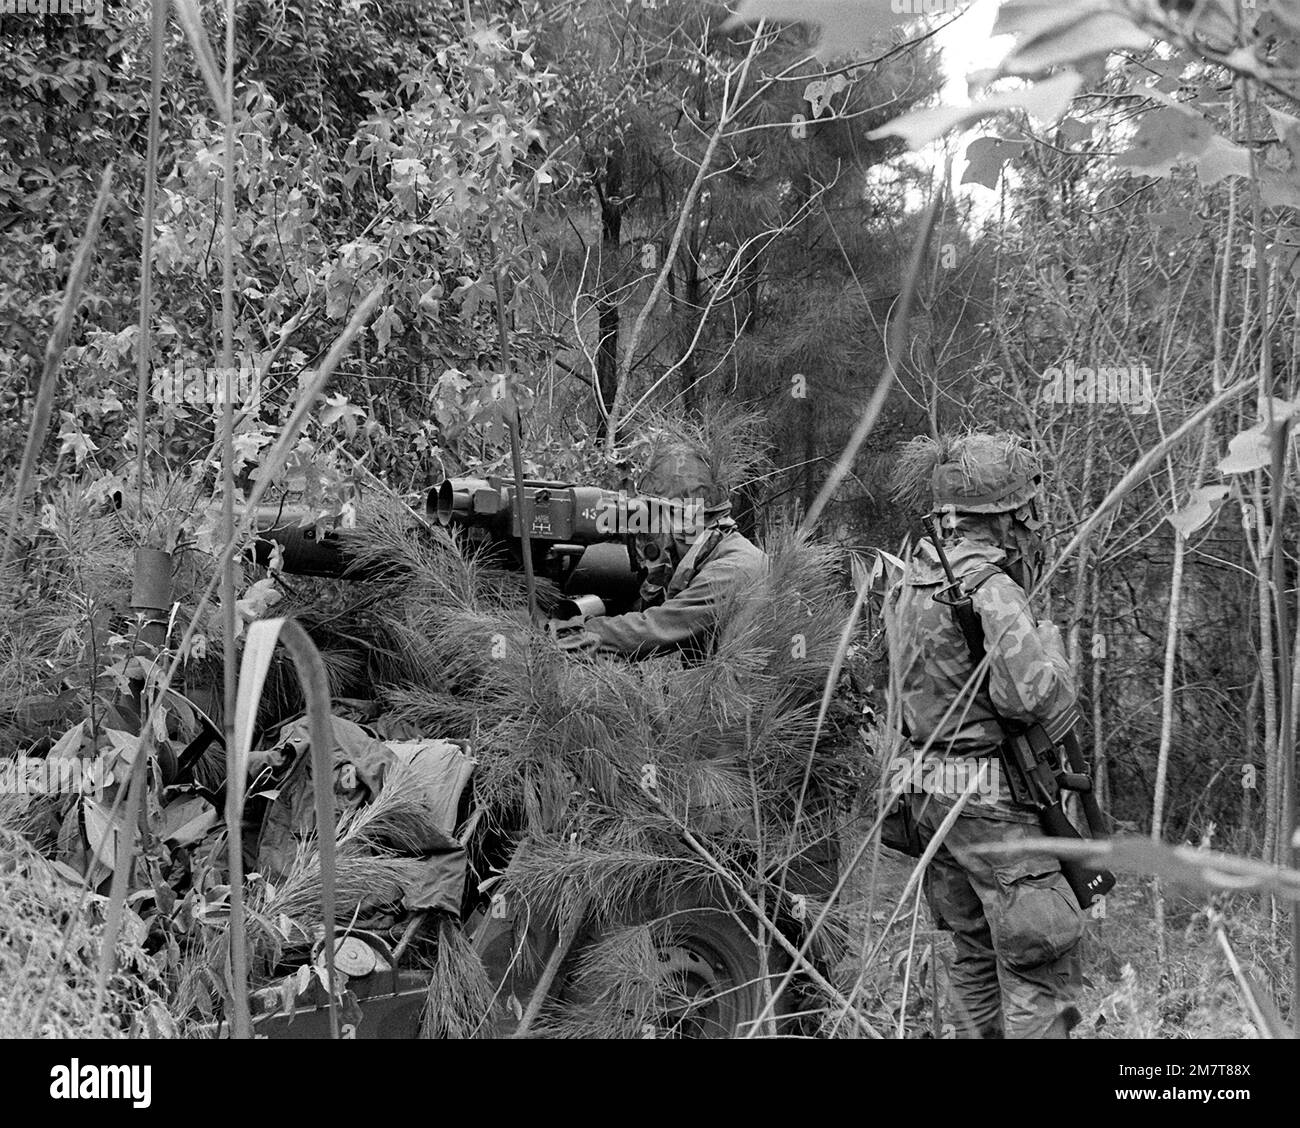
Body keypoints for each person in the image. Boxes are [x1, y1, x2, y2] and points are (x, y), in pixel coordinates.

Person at [883, 432, 1085, 1039]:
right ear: (1008, 518)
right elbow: (1026, 698)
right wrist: (1052, 649)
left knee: (973, 957)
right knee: (1039, 964)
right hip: (991, 801)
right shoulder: (989, 588)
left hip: (928, 793)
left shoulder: (910, 582)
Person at [568, 442, 767, 659]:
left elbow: (656, 628)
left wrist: (572, 633)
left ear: (686, 520)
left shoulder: (734, 568)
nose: (648, 527)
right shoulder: (708, 552)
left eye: (654, 516)